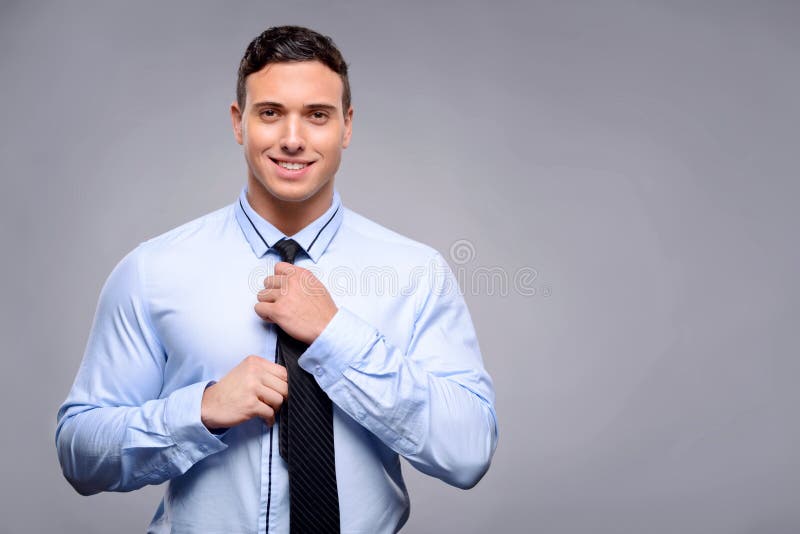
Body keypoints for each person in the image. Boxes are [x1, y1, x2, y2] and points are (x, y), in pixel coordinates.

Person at [56, 25, 498, 533]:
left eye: (317, 115)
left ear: (346, 126)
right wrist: (199, 411)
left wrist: (338, 338)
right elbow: (79, 455)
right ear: (238, 122)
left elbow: (469, 452)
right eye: (270, 113)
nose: (292, 139)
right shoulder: (152, 271)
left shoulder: (416, 273)